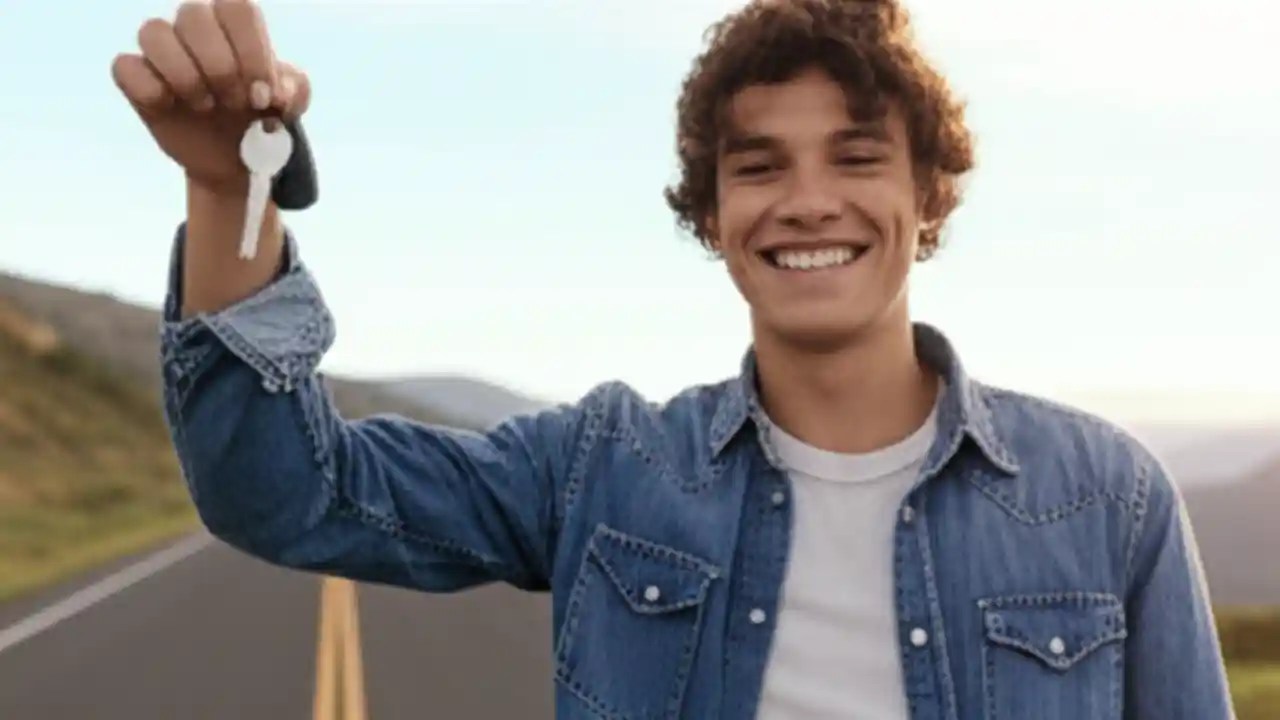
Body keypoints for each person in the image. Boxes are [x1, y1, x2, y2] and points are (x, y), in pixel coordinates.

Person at [112, 0, 1236, 717]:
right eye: (756, 168)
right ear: (710, 213)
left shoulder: (1104, 495)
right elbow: (287, 492)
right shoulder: (604, 467)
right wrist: (228, 189)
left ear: (925, 194)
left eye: (853, 157)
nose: (805, 202)